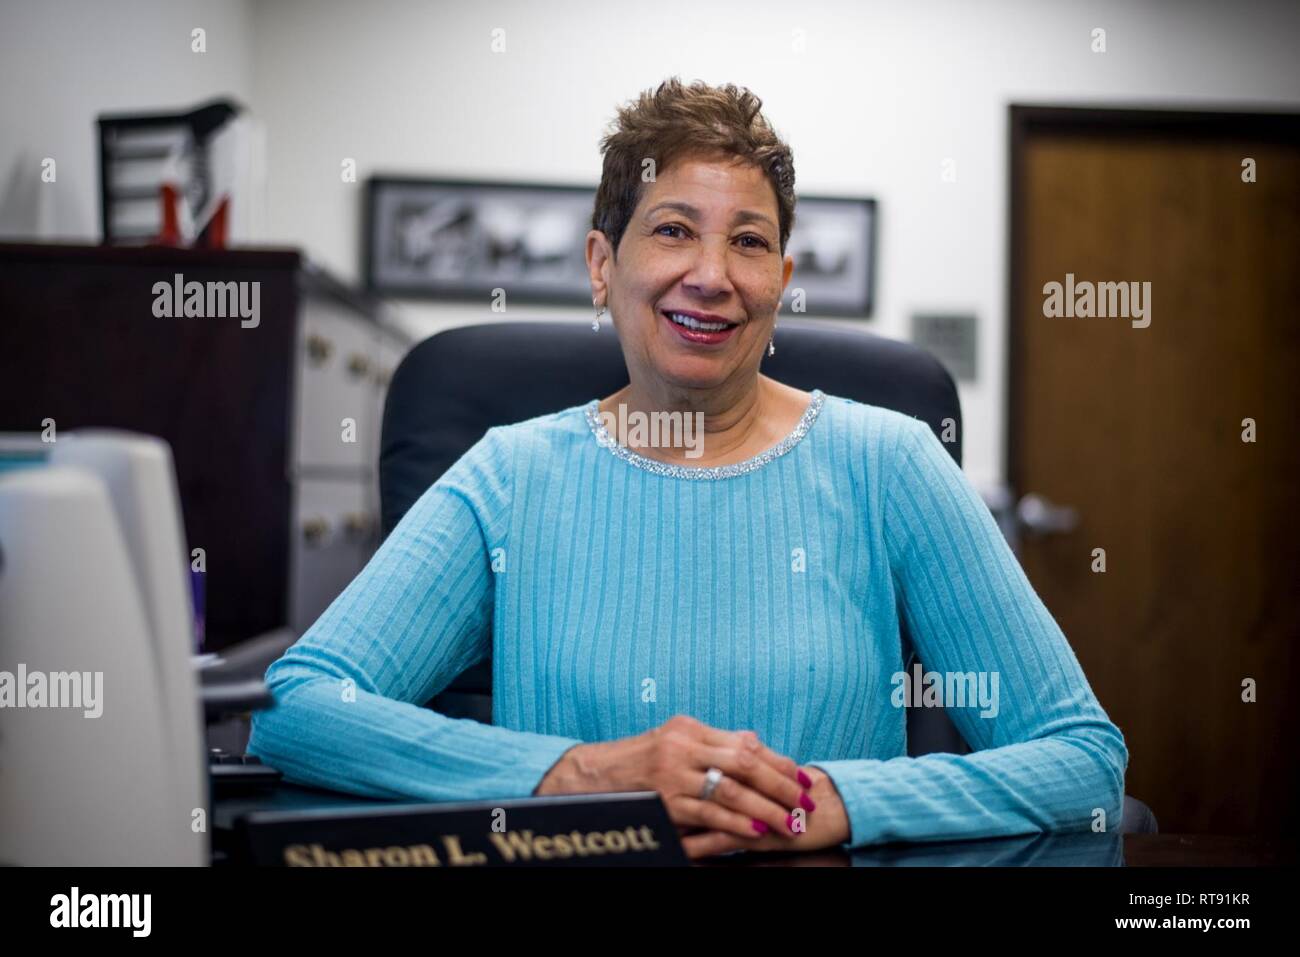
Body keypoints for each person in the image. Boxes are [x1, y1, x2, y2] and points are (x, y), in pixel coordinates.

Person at [249, 77, 1128, 860]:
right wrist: (578, 774)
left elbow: (1083, 758)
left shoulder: (890, 463)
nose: (711, 276)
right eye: (673, 230)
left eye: (748, 243)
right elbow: (299, 709)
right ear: (603, 265)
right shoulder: (509, 478)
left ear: (780, 278)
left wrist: (838, 803)